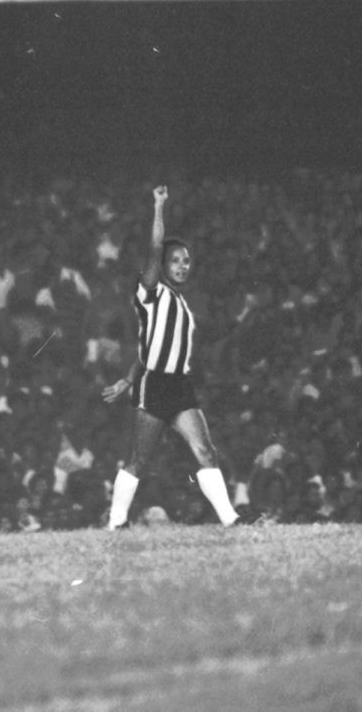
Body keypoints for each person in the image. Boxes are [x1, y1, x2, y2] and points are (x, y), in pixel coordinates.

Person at [101, 185, 247, 529]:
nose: (183, 265)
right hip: (156, 385)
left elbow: (149, 350)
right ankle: (116, 522)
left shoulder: (180, 303)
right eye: (176, 260)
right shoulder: (150, 293)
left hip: (180, 384)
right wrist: (158, 206)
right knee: (139, 459)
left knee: (205, 451)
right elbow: (154, 246)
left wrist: (125, 378)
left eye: (186, 260)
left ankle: (231, 520)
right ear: (162, 265)